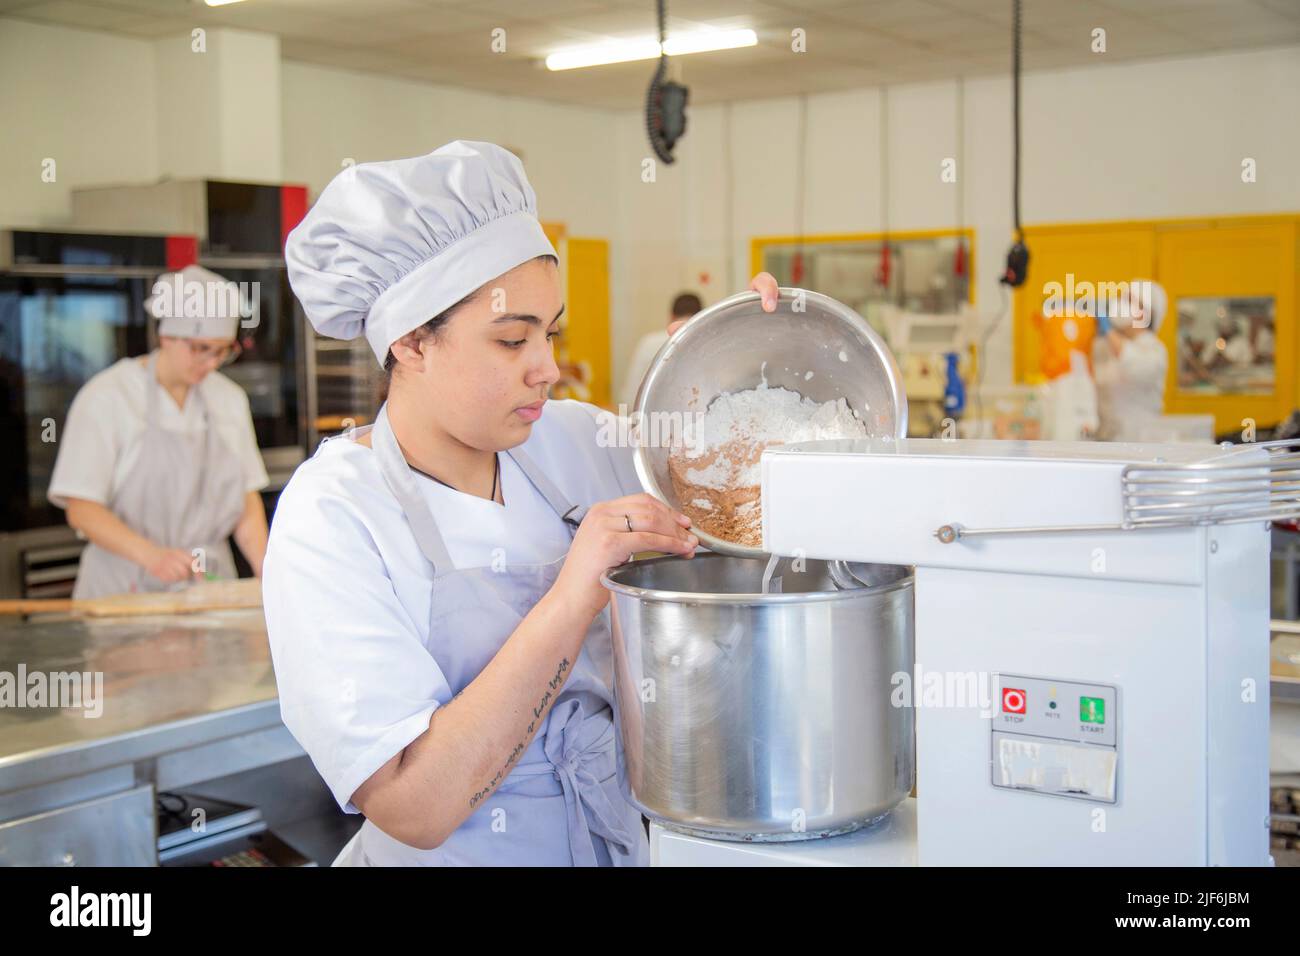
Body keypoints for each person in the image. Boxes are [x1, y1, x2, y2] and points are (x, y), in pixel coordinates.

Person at [266, 141, 779, 866]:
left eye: (551, 332)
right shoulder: (334, 515)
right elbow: (415, 805)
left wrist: (744, 357)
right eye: (512, 339)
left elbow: (750, 500)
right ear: (412, 343)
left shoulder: (577, 441)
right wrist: (574, 595)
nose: (548, 368)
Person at [47, 265, 269, 599]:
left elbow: (245, 498)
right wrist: (152, 556)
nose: (210, 362)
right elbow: (81, 508)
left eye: (222, 350)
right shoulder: (108, 397)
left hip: (209, 591)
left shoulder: (229, 399)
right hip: (125, 592)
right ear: (166, 335)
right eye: (199, 348)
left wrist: (267, 568)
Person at [1092, 279, 1169, 441]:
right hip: (1106, 438)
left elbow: (1133, 364)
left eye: (1128, 301)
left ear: (1144, 312)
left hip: (1140, 440)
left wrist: (1108, 331)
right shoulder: (1107, 344)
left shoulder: (1154, 349)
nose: (1119, 305)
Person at [619, 291, 702, 409]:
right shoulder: (703, 344)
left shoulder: (648, 342)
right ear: (701, 315)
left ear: (671, 316)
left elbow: (629, 394)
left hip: (650, 417)